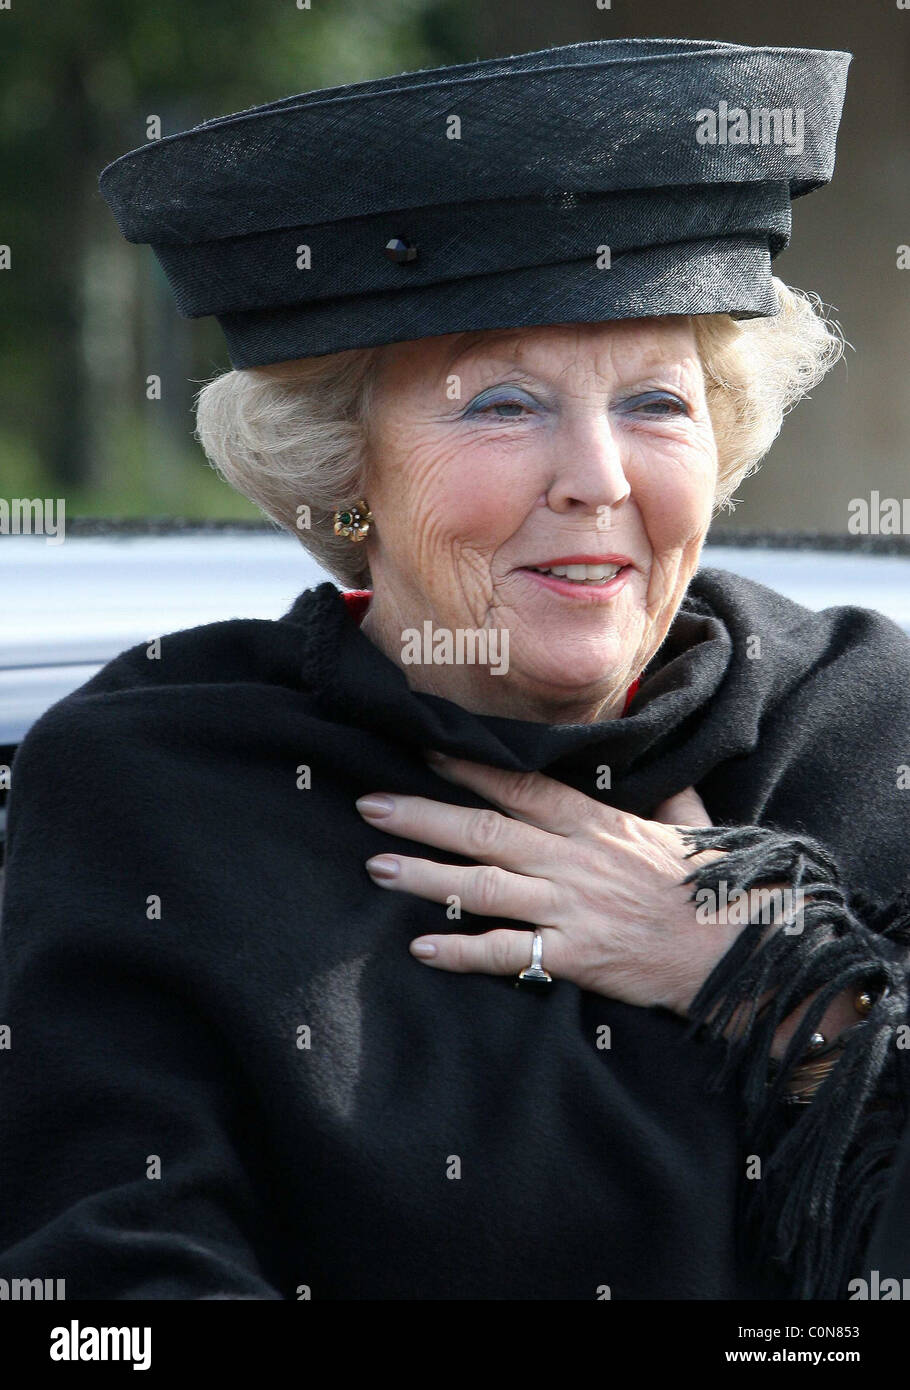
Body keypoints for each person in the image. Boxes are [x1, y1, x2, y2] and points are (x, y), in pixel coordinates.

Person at [1, 37, 908, 1301]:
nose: (596, 478)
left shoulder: (865, 731)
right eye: (502, 405)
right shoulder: (157, 783)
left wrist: (779, 985)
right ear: (344, 467)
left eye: (655, 401)